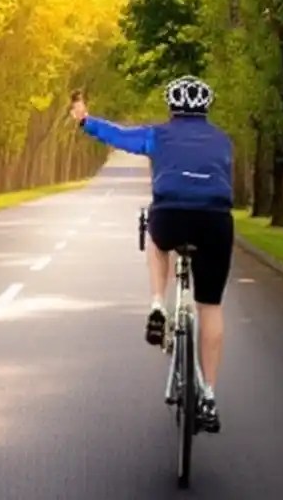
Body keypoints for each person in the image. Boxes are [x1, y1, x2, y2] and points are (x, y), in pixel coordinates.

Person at [70, 76, 232, 433]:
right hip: (215, 222)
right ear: (206, 108)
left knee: (158, 242)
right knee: (210, 307)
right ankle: (208, 394)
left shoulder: (159, 134)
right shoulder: (224, 141)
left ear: (172, 108)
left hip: (171, 213)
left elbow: (121, 136)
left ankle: (158, 302)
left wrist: (85, 121)